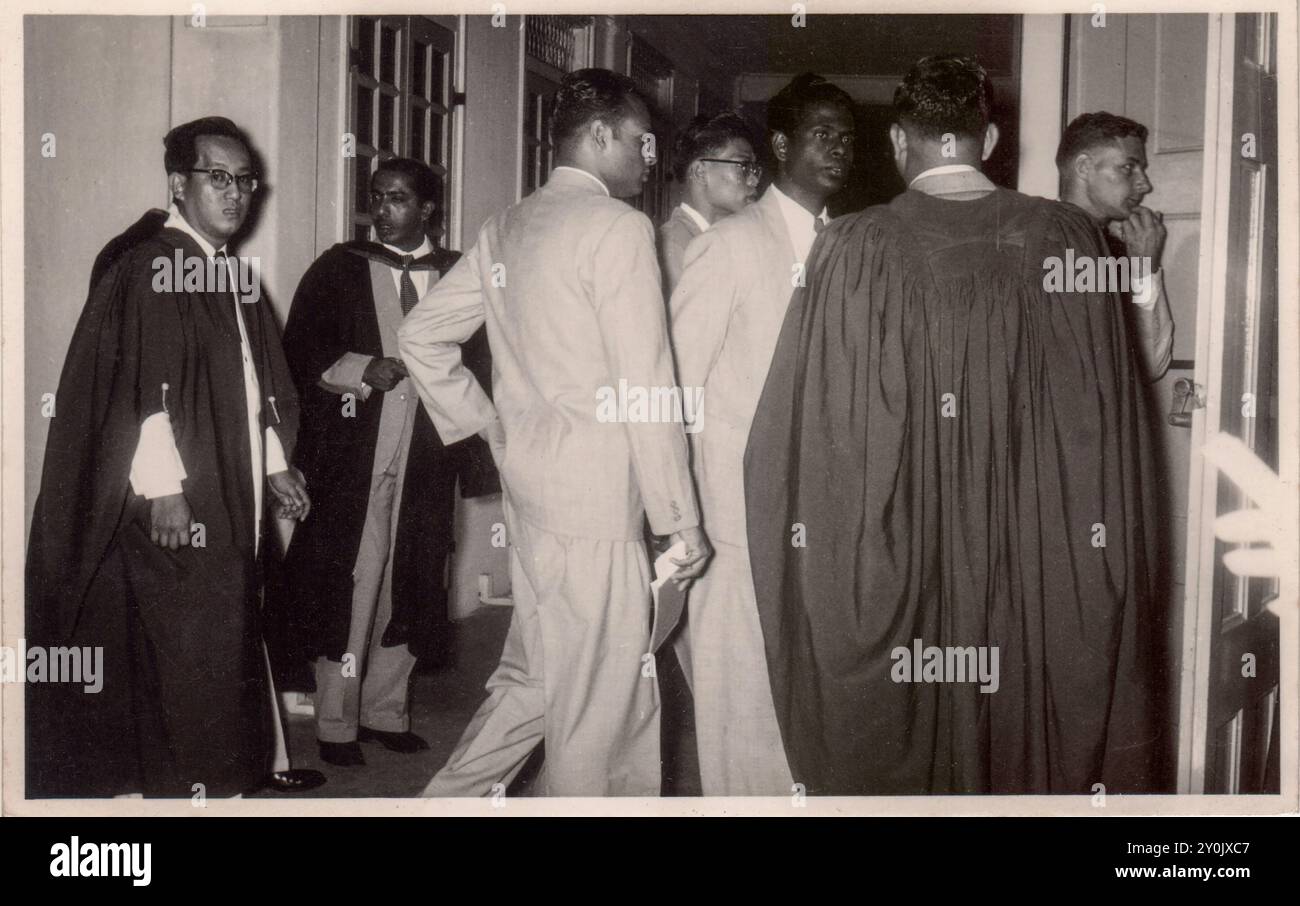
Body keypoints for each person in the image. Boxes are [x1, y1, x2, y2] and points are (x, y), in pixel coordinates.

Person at [745, 56, 1167, 795]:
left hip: (911, 570)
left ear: (899, 143)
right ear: (992, 138)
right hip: (1032, 566)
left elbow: (807, 440)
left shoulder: (850, 247)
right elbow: (1105, 426)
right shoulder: (1067, 238)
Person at [399, 68, 711, 797]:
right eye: (641, 139)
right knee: (606, 711)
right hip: (596, 504)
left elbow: (420, 335)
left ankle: (443, 804)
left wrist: (492, 429)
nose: (650, 155)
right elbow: (646, 385)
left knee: (535, 677)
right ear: (599, 136)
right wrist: (679, 518)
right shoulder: (618, 227)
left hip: (533, 492)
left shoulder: (506, 224)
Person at [26, 116, 311, 797]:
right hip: (183, 498)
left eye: (245, 180)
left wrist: (276, 465)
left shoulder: (230, 274)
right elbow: (140, 397)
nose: (235, 194)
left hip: (230, 487)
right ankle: (200, 786)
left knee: (221, 633)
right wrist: (165, 491)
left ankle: (225, 774)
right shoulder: (153, 267)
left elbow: (256, 383)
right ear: (179, 184)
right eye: (218, 178)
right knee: (193, 646)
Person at [274, 157, 497, 768]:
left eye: (398, 198)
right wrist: (356, 368)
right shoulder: (338, 268)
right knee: (349, 579)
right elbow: (295, 350)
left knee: (412, 580)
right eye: (376, 197)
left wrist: (479, 450)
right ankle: (336, 722)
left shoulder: (457, 273)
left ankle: (385, 711)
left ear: (428, 208)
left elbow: (481, 361)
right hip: (353, 455)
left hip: (427, 453)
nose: (382, 210)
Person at [667, 73, 854, 795]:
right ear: (780, 145)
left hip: (820, 508)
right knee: (735, 691)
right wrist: (677, 512)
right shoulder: (732, 244)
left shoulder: (848, 244)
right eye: (821, 133)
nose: (838, 146)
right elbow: (677, 384)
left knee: (801, 690)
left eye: (846, 133)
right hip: (735, 508)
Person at [1057, 111, 1174, 381]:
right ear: (1084, 167)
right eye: (1128, 167)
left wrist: (1145, 268)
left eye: (1142, 169)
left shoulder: (1120, 247)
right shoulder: (1042, 241)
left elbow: (1153, 365)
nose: (1145, 184)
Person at [658, 112, 760, 293]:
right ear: (699, 172)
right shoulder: (671, 246)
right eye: (743, 167)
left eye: (754, 169)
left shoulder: (729, 239)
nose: (754, 180)